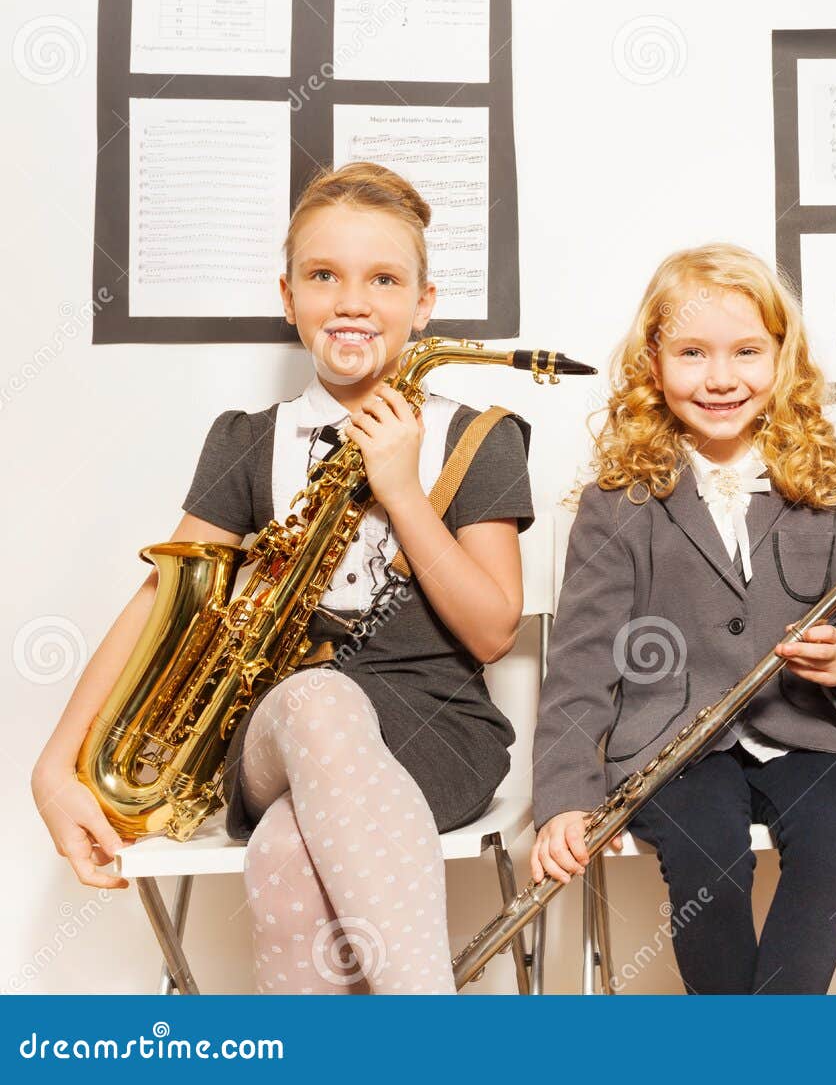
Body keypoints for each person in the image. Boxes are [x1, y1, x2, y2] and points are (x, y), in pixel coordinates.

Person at [32, 161, 534, 993]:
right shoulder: (248, 440)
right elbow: (164, 598)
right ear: (289, 294)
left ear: (424, 304)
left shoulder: (478, 438)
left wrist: (402, 489)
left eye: (384, 278)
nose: (351, 299)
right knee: (315, 698)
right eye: (322, 275)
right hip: (276, 727)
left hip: (436, 738)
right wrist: (57, 769)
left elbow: (492, 629)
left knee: (288, 849)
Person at [530, 243, 836, 994]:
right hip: (672, 749)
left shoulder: (821, 484)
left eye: (746, 351)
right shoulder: (618, 499)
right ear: (654, 364)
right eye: (693, 352)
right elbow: (581, 660)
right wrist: (564, 795)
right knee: (711, 861)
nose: (721, 378)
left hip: (800, 735)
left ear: (782, 359)